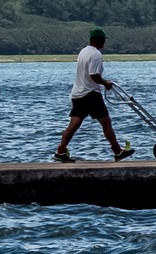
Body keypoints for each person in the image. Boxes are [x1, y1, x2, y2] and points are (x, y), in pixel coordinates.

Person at [54, 28, 131, 161]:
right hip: (90, 94)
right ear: (98, 40)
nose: (104, 43)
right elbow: (93, 75)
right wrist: (105, 83)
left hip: (78, 93)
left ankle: (61, 151)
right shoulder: (96, 54)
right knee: (106, 122)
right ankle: (117, 151)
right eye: (103, 40)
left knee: (73, 125)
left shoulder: (83, 52)